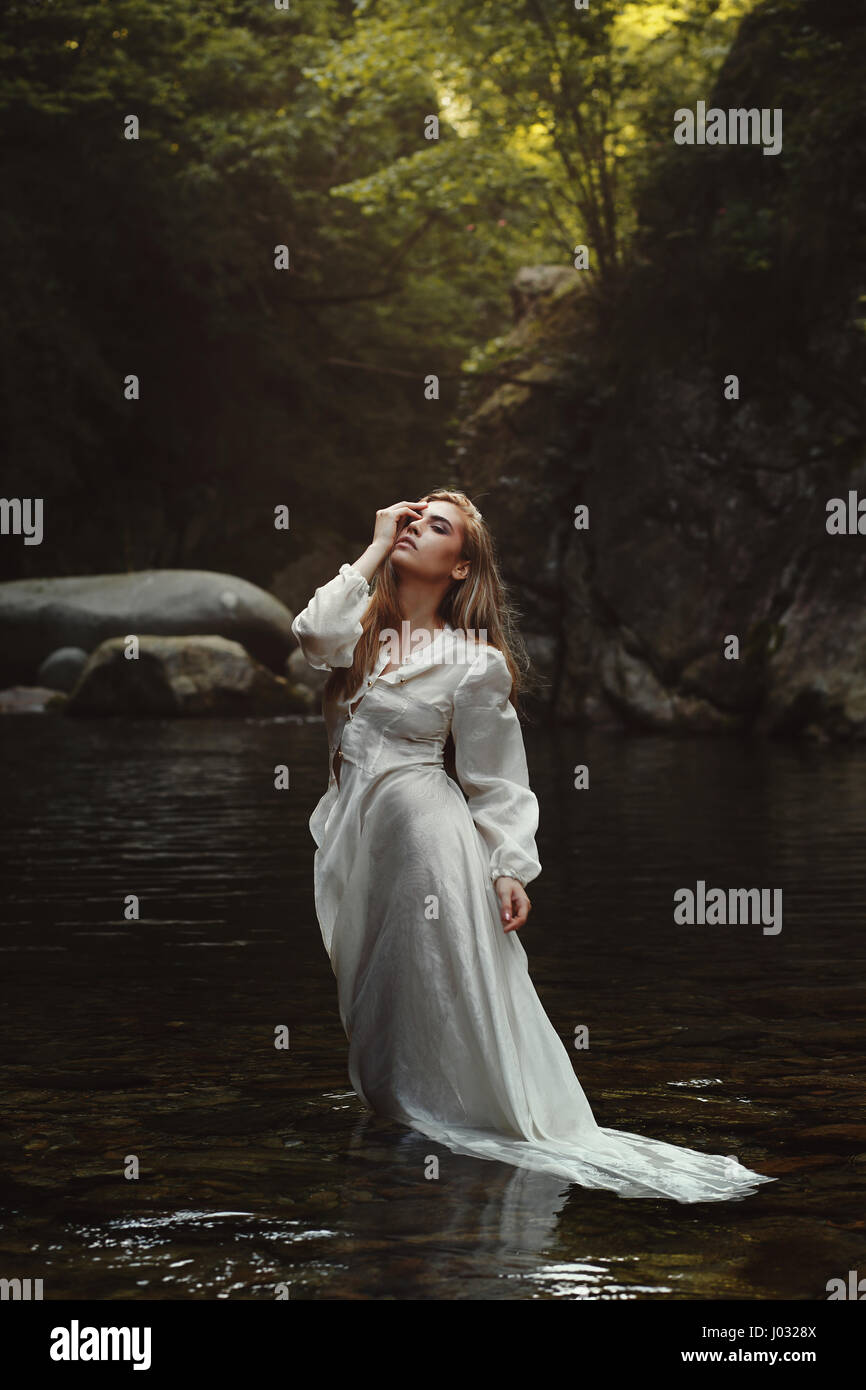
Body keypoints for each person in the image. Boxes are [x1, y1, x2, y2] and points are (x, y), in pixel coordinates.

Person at [291, 489, 777, 1202]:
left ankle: (441, 1146)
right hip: (361, 844)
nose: (415, 528)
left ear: (461, 567)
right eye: (412, 517)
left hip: (428, 838)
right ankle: (405, 1140)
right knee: (372, 1002)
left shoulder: (474, 663)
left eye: (437, 526)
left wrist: (509, 868)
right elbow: (311, 633)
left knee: (422, 986)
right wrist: (374, 545)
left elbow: (496, 781)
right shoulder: (359, 633)